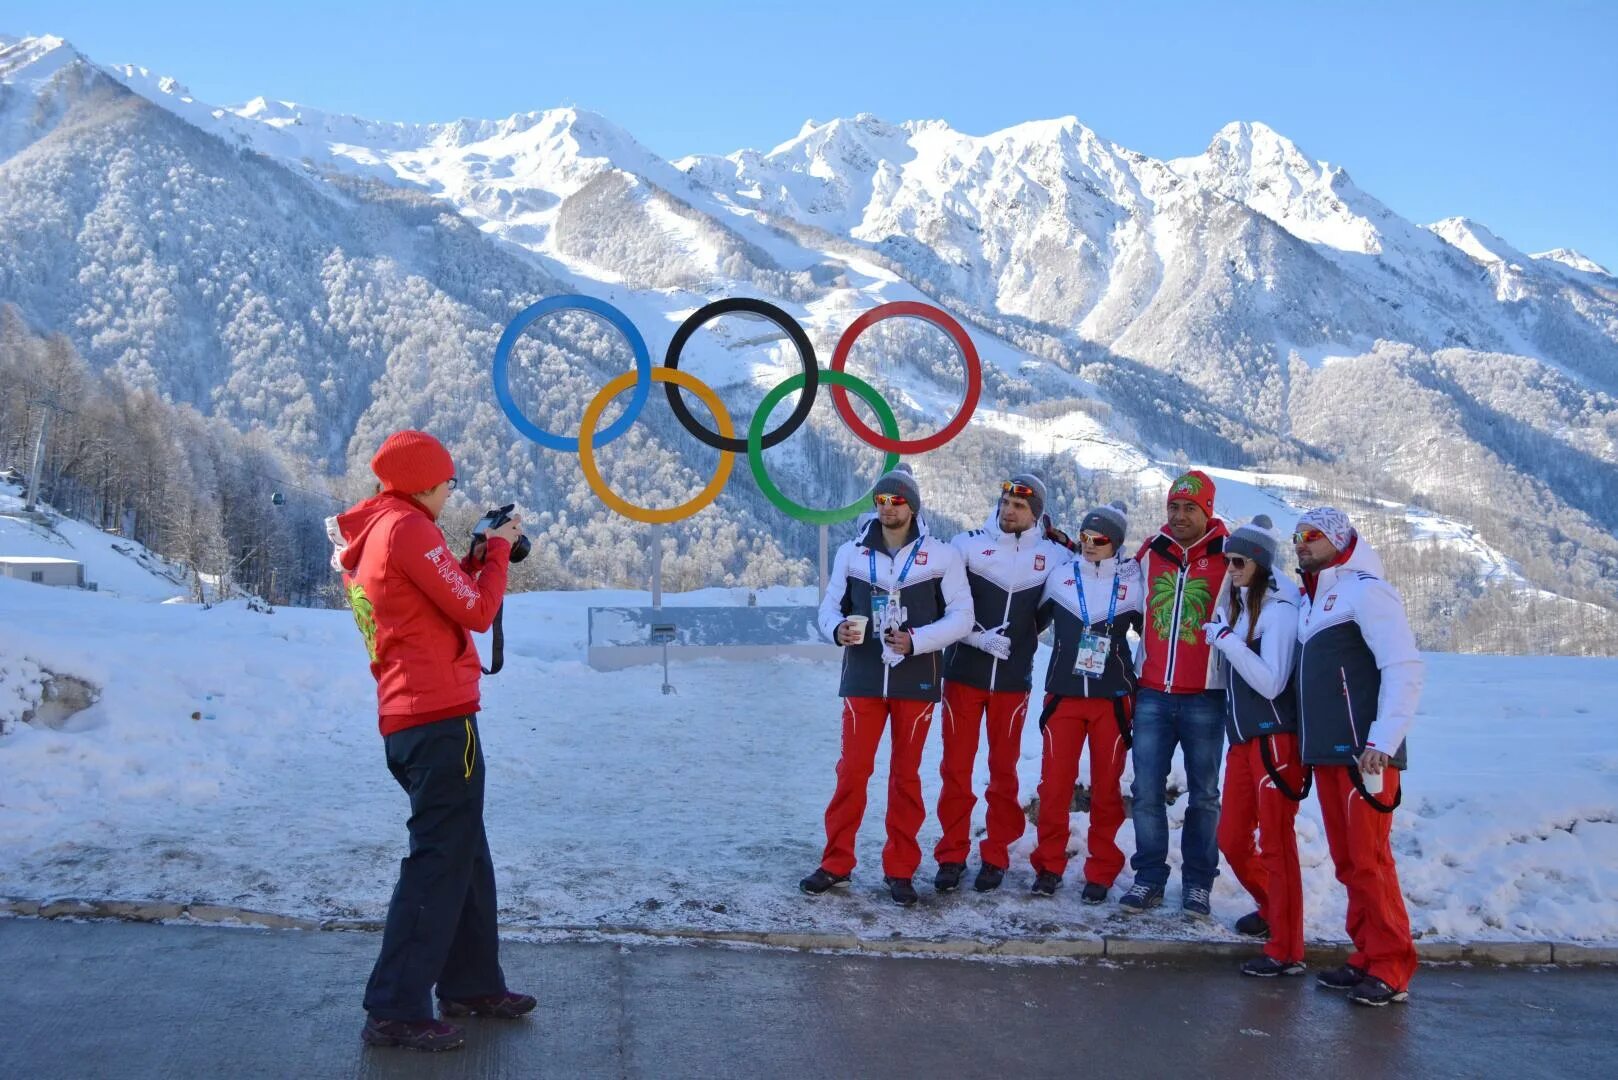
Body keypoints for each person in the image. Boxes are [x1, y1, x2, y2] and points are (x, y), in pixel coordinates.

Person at [330, 430, 535, 1052]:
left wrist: (473, 555)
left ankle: (471, 983)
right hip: (439, 717)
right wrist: (497, 551)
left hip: (411, 716)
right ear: (423, 482)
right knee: (439, 861)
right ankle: (394, 1006)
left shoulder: (379, 530)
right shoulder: (409, 529)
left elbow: (439, 601)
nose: (450, 491)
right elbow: (475, 612)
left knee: (464, 852)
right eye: (447, 481)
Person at [804, 467, 974, 907]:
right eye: (881, 500)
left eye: (896, 501)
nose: (887, 507)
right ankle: (836, 864)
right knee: (852, 773)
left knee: (905, 778)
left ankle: (900, 870)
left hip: (914, 679)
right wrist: (837, 629)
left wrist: (917, 641)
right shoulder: (852, 553)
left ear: (912, 506)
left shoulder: (941, 556)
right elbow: (827, 609)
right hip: (862, 677)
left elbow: (962, 618)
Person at [1293, 507, 1423, 1007]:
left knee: (1370, 860)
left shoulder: (1367, 591)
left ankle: (1392, 964)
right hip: (1328, 753)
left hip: (1366, 755)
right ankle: (1366, 954)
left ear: (1341, 539)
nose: (1302, 543)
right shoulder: (1317, 599)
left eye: (1313, 536)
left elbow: (1403, 667)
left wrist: (1383, 742)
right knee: (1348, 861)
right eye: (1298, 536)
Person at [935, 474, 1070, 893]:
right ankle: (952, 854)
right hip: (964, 675)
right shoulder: (968, 544)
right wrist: (975, 635)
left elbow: (1047, 613)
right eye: (1006, 502)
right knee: (956, 771)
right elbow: (947, 603)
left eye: (1020, 506)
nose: (1010, 511)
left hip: (1013, 680)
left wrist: (1026, 641)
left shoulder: (1053, 556)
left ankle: (995, 855)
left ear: (1037, 515)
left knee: (1003, 772)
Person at [1120, 470, 1232, 918]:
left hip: (1206, 695)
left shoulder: (1229, 556)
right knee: (1146, 791)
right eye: (1174, 507)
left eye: (1190, 508)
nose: (1180, 516)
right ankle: (1148, 877)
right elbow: (1113, 581)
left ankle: (1199, 883)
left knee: (1204, 794)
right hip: (1152, 694)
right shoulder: (1151, 553)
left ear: (1207, 511)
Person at [1205, 516, 1308, 977]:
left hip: (1275, 738)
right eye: (1227, 560)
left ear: (1262, 561)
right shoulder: (1241, 604)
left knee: (1276, 845)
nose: (1231, 567)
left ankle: (1287, 948)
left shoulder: (1280, 611)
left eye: (1239, 560)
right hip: (1243, 739)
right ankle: (1272, 908)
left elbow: (1271, 681)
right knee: (1230, 837)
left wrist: (1227, 642)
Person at [1031, 500, 1142, 902]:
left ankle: (1102, 868)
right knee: (1055, 786)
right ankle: (1048, 865)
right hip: (1063, 695)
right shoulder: (1061, 575)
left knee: (1107, 790)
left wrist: (1142, 681)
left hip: (1111, 700)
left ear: (1116, 543)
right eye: (1084, 537)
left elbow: (1155, 637)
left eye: (1100, 539)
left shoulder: (1134, 582)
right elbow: (1031, 621)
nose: (1090, 544)